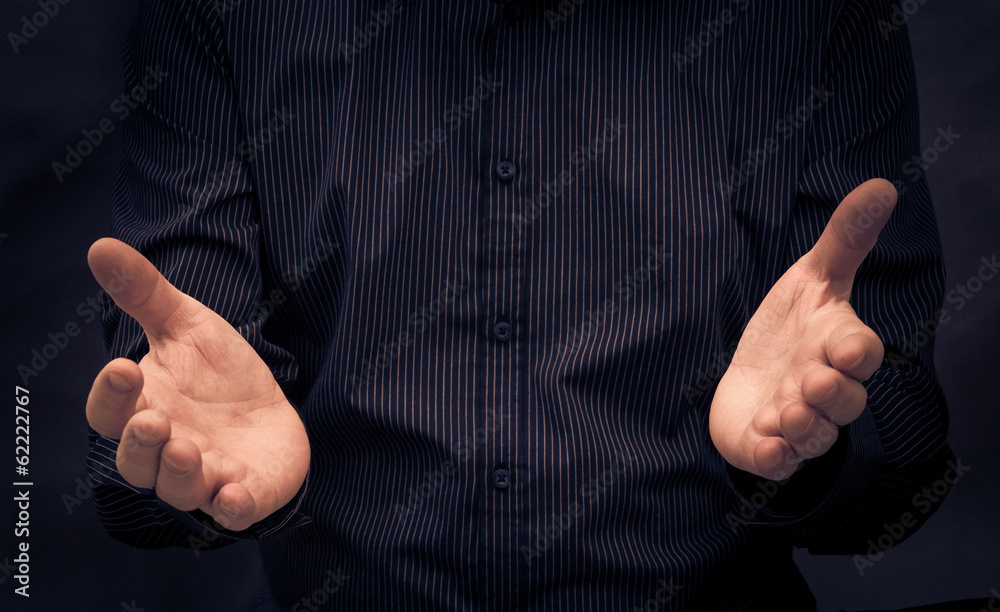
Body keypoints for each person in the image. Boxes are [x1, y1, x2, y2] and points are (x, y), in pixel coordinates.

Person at [84, 0, 955, 609]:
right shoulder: (221, 13)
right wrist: (189, 471)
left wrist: (811, 442)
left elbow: (902, 475)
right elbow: (154, 450)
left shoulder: (813, 14)